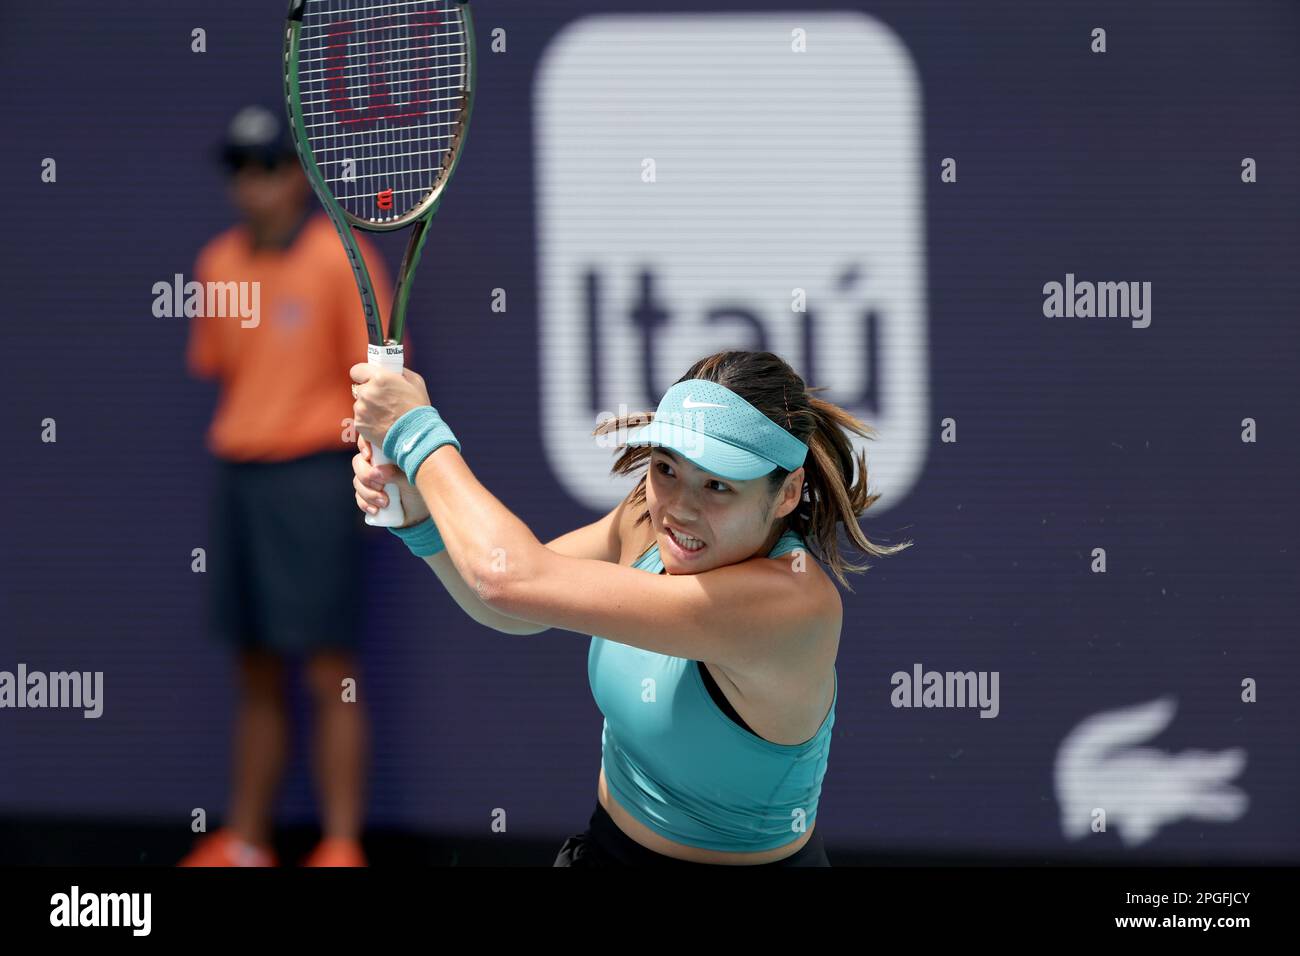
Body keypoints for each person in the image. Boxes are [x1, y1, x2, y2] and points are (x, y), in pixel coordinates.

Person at [349, 348, 912, 866]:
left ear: (786, 493)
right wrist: (418, 520)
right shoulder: (647, 517)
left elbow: (507, 577)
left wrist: (416, 432)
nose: (680, 510)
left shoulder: (790, 606)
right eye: (666, 468)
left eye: (718, 486)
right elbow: (512, 607)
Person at [179, 104, 393, 867]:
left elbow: (374, 386)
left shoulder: (342, 259)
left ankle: (340, 845)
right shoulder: (214, 266)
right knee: (255, 665)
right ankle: (247, 843)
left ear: (299, 174)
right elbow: (226, 372)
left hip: (315, 481)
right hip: (243, 479)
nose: (253, 185)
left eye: (268, 166)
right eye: (240, 169)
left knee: (331, 668)